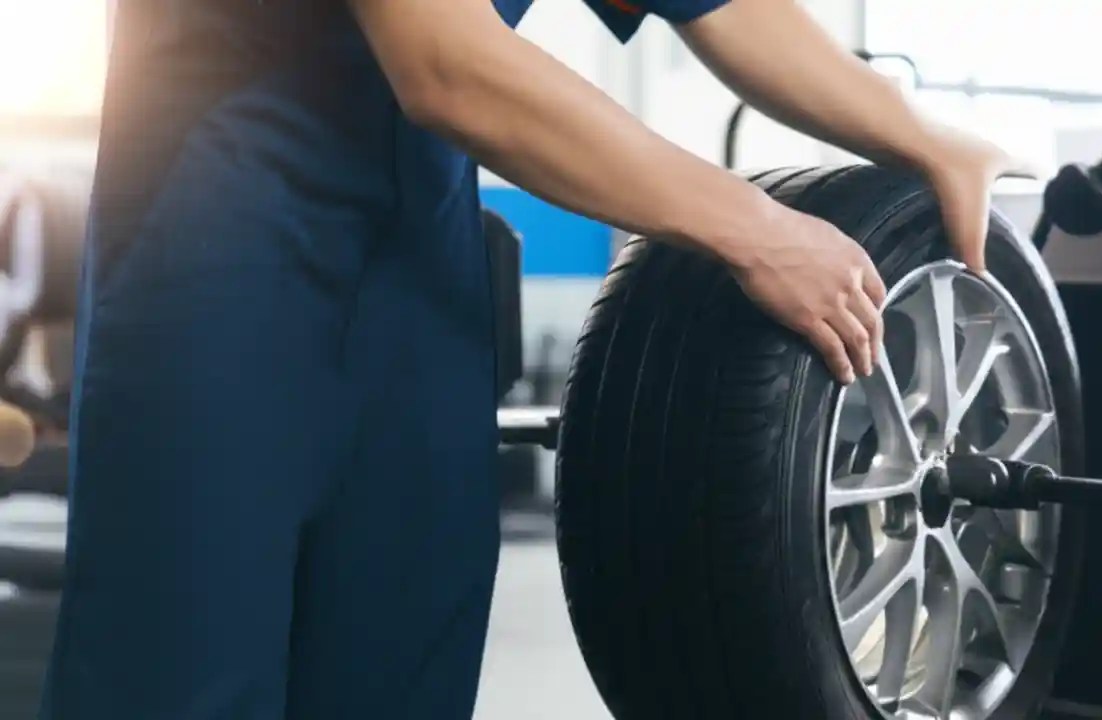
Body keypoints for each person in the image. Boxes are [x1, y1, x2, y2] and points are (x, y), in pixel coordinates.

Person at [38, 0, 1033, 718]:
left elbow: (724, 8)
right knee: (182, 678)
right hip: (221, 262)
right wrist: (752, 227)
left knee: (396, 673)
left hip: (417, 279)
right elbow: (445, 62)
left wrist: (927, 140)